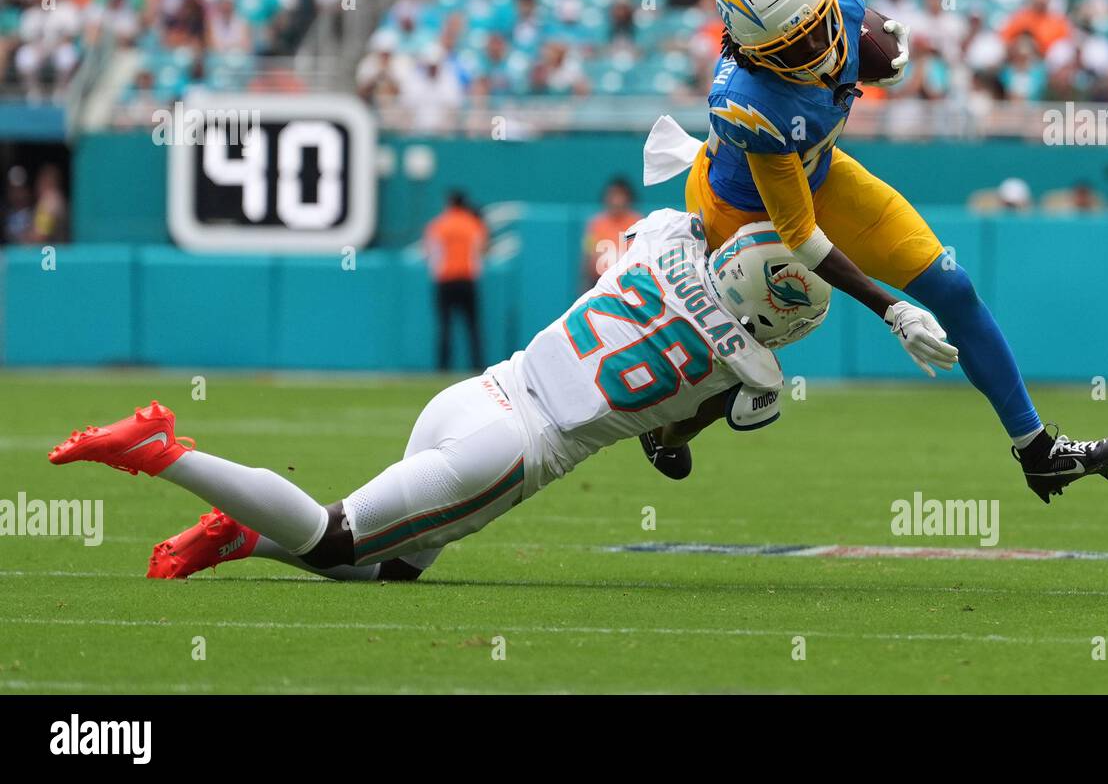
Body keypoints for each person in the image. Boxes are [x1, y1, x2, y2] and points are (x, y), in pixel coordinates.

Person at [48, 212, 828, 582]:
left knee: (396, 569)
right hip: (514, 451)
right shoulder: (751, 372)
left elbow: (689, 204)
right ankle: (164, 452)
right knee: (332, 541)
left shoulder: (665, 239)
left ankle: (242, 535)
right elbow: (672, 451)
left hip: (478, 391)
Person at [645, 0, 1108, 503]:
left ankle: (1037, 452)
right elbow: (800, 234)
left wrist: (880, 57)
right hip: (741, 208)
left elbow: (878, 41)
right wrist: (892, 310)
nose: (817, 46)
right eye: (794, 44)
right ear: (754, 52)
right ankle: (665, 430)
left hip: (820, 174)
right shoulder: (748, 99)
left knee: (952, 287)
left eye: (817, 26)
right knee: (740, 363)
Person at [424, 190, 488, 370]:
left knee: (445, 326)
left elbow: (431, 253)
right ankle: (477, 366)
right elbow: (481, 251)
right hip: (468, 280)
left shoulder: (438, 225)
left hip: (445, 280)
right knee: (473, 327)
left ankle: (443, 367)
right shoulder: (473, 224)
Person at [580, 177, 641, 286]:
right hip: (600, 284)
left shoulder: (637, 223)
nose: (616, 201)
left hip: (629, 285)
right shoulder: (596, 224)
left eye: (620, 196)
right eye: (613, 195)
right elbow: (588, 256)